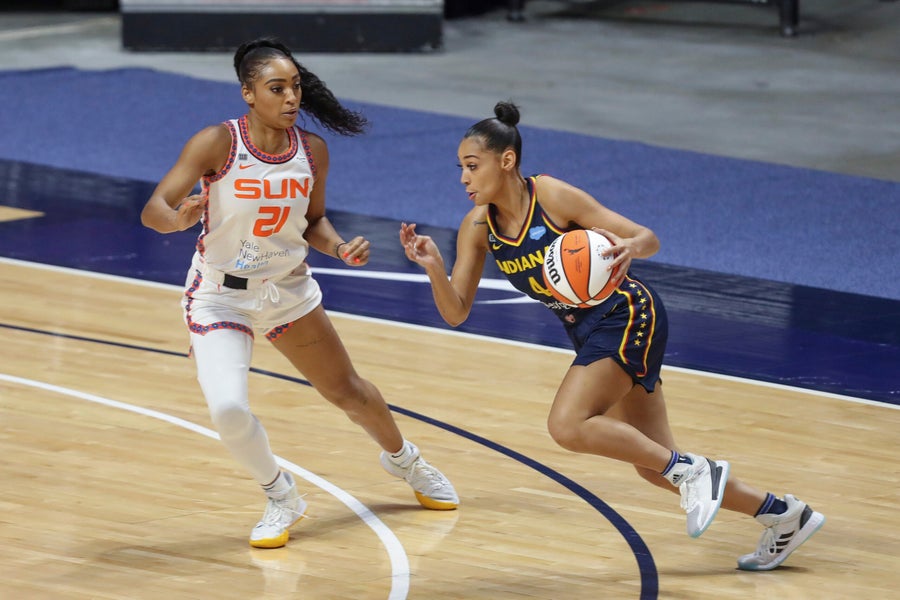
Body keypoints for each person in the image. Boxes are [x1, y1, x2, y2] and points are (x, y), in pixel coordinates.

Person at [399, 100, 824, 571]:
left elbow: (647, 238)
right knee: (654, 464)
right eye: (460, 168)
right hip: (588, 331)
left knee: (567, 425)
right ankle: (784, 515)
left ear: (507, 161)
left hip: (627, 313)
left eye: (472, 166)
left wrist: (627, 247)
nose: (463, 178)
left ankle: (696, 472)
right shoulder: (477, 228)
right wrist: (435, 268)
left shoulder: (554, 197)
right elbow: (456, 312)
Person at [140, 37, 458, 549]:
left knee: (347, 392)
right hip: (221, 294)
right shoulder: (217, 143)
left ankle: (406, 461)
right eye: (277, 88)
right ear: (248, 93)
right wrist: (177, 220)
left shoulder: (312, 151)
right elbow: (153, 207)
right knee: (227, 409)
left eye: (296, 87)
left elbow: (312, 222)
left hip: (287, 289)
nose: (291, 98)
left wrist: (338, 248)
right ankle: (281, 495)